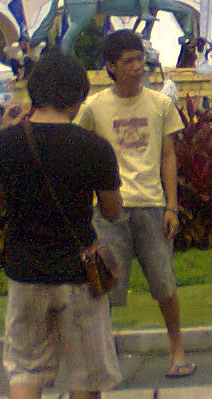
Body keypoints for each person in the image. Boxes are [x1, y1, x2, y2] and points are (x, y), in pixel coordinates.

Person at [0, 50, 130, 399]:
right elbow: (112, 210)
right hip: (78, 277)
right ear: (79, 96)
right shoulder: (92, 148)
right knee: (86, 375)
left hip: (24, 272)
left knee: (24, 366)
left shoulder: (5, 144)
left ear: (34, 90)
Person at [76, 30, 192, 378]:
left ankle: (177, 349)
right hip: (110, 209)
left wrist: (172, 206)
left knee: (164, 284)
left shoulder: (160, 104)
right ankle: (102, 360)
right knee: (104, 287)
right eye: (128, 61)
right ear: (110, 66)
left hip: (153, 206)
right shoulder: (94, 108)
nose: (137, 67)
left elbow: (169, 156)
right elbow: (79, 152)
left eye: (140, 59)